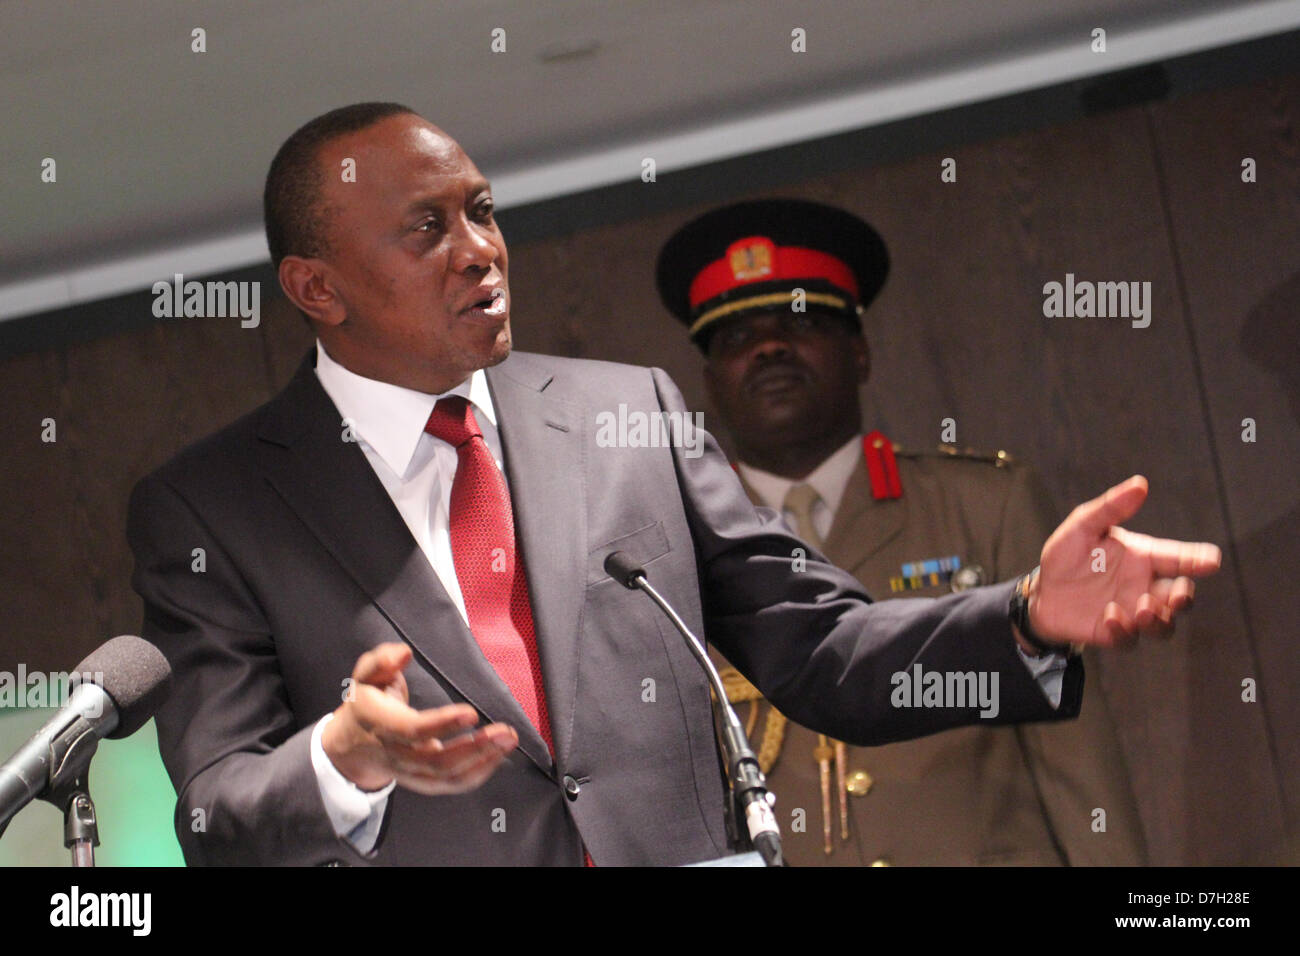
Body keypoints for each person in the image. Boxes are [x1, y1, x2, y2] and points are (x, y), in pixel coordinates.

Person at [126, 103, 1218, 866]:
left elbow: (822, 651)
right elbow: (218, 813)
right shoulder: (216, 505)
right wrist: (344, 758)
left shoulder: (627, 413)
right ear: (316, 286)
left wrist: (1023, 614)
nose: (480, 251)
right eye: (427, 227)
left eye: (483, 210)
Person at [656, 199, 1147, 865]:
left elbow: (1071, 753)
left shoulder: (986, 504)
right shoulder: (673, 555)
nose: (770, 347)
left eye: (800, 321)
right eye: (737, 338)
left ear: (858, 353)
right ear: (710, 383)